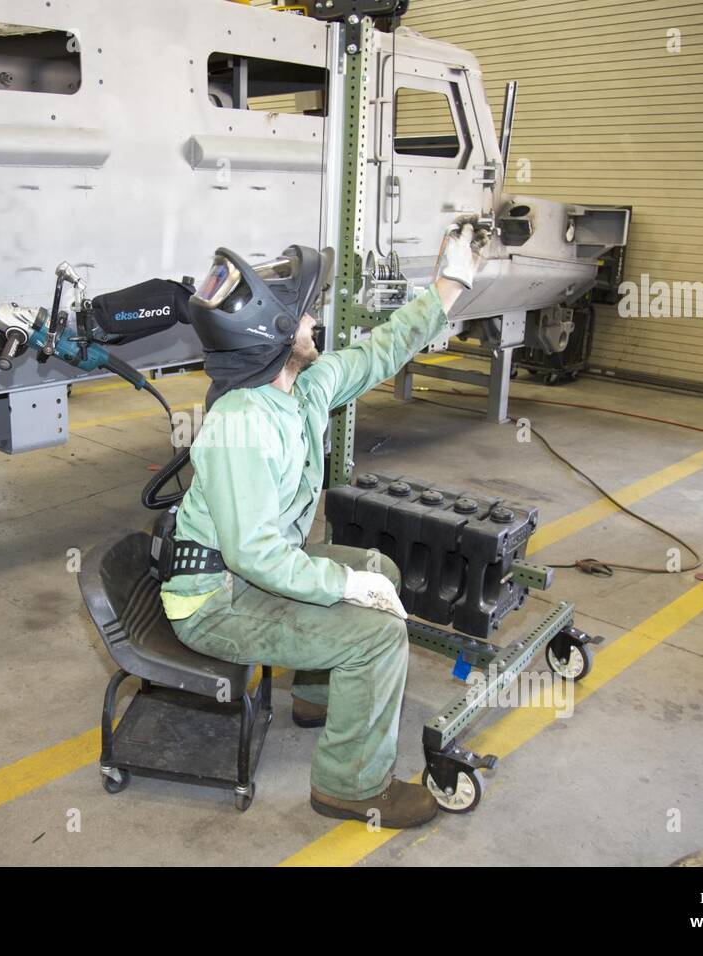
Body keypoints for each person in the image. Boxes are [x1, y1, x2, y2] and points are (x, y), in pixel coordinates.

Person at [160, 222, 488, 828]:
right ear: (279, 336)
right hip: (214, 601)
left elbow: (378, 351)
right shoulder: (243, 422)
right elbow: (255, 553)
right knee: (376, 633)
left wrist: (450, 283)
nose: (317, 322)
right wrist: (340, 588)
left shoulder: (302, 387)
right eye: (308, 314)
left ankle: (316, 698)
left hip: (247, 576)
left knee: (377, 568)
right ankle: (352, 788)